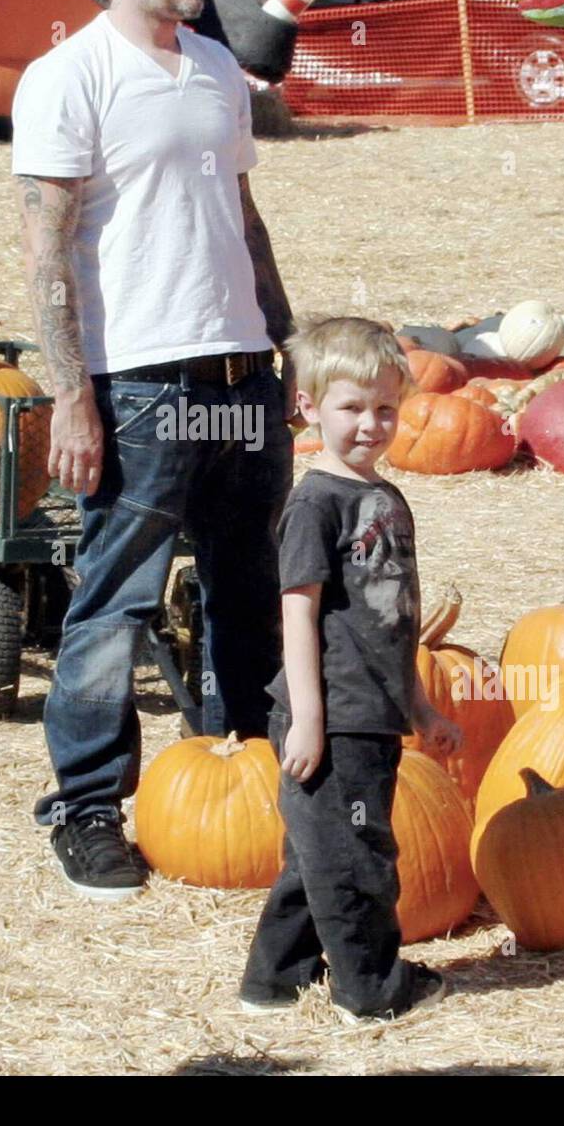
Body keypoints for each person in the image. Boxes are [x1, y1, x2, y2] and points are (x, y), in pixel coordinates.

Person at [12, 0, 296, 900]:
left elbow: (243, 219)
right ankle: (86, 809)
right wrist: (71, 394)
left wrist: (284, 336)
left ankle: (242, 775)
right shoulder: (67, 79)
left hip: (237, 370)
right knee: (111, 604)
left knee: (246, 592)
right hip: (136, 382)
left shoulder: (217, 71)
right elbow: (44, 251)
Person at [239, 316, 462, 1022]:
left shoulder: (386, 499)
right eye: (351, 407)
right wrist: (310, 719)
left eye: (386, 408)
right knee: (359, 856)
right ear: (308, 406)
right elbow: (298, 615)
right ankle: (370, 987)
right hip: (333, 716)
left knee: (317, 854)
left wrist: (420, 706)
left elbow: (391, 624)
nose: (372, 424)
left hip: (374, 709)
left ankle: (274, 981)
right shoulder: (314, 505)